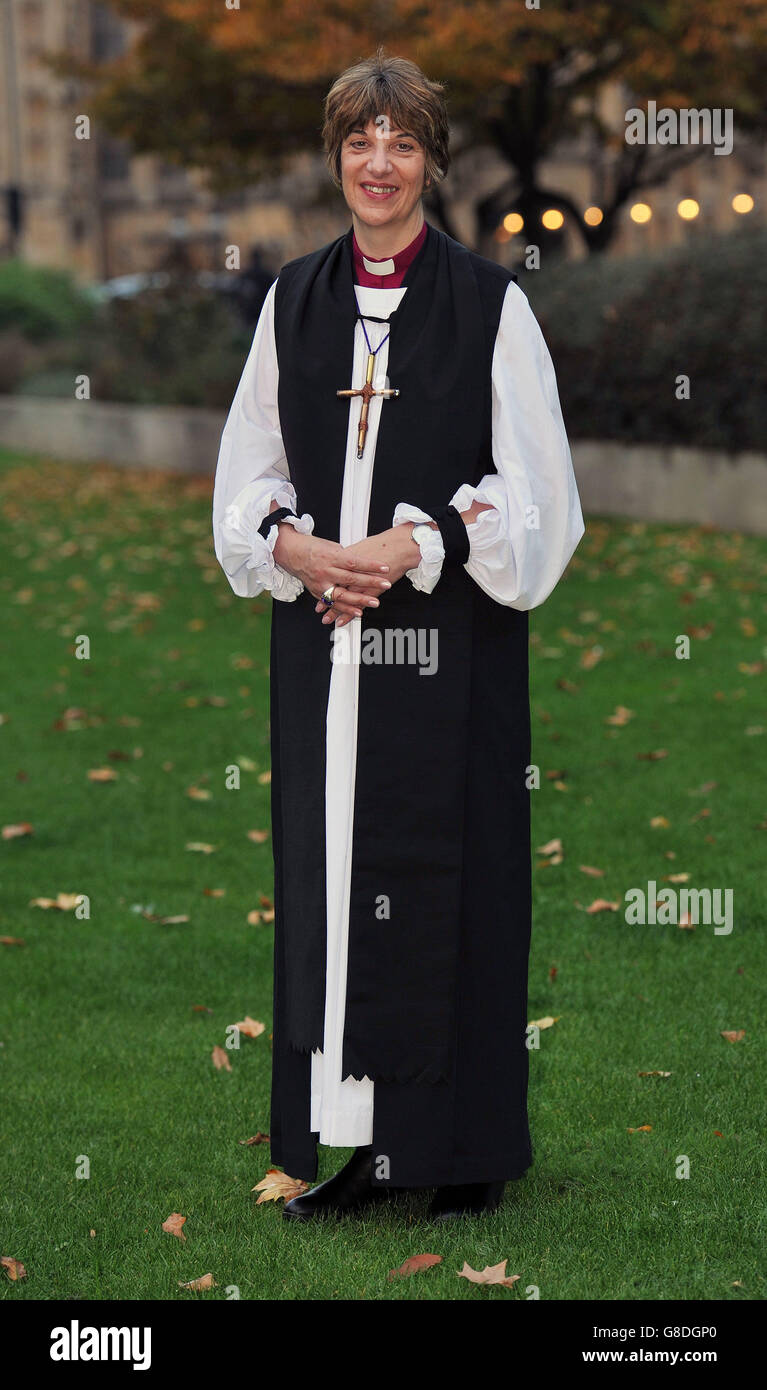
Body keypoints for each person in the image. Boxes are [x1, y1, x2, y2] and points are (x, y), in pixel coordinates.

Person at [211, 49, 585, 1222]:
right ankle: (361, 1142)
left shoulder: (491, 305)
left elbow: (539, 499)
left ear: (430, 161)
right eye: (359, 142)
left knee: (448, 872)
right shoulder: (293, 301)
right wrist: (296, 545)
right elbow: (247, 475)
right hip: (324, 657)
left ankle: (458, 1148)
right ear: (336, 158)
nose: (379, 163)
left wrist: (411, 545)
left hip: (448, 656)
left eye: (402, 142)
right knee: (333, 883)